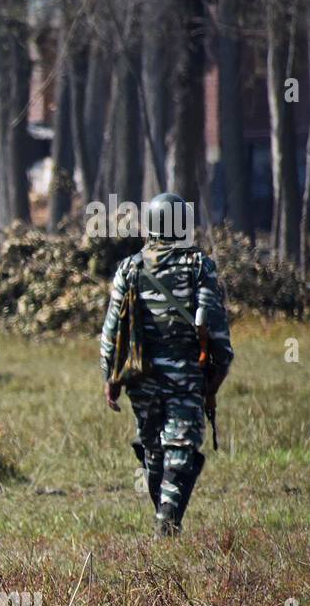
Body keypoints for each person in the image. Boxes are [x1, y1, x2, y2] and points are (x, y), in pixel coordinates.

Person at [99, 192, 233, 536]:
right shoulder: (199, 266)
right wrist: (218, 372)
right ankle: (167, 521)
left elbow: (112, 330)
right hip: (186, 373)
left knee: (153, 446)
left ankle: (165, 520)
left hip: (140, 375)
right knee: (181, 446)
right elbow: (213, 324)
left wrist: (109, 376)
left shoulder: (129, 268)